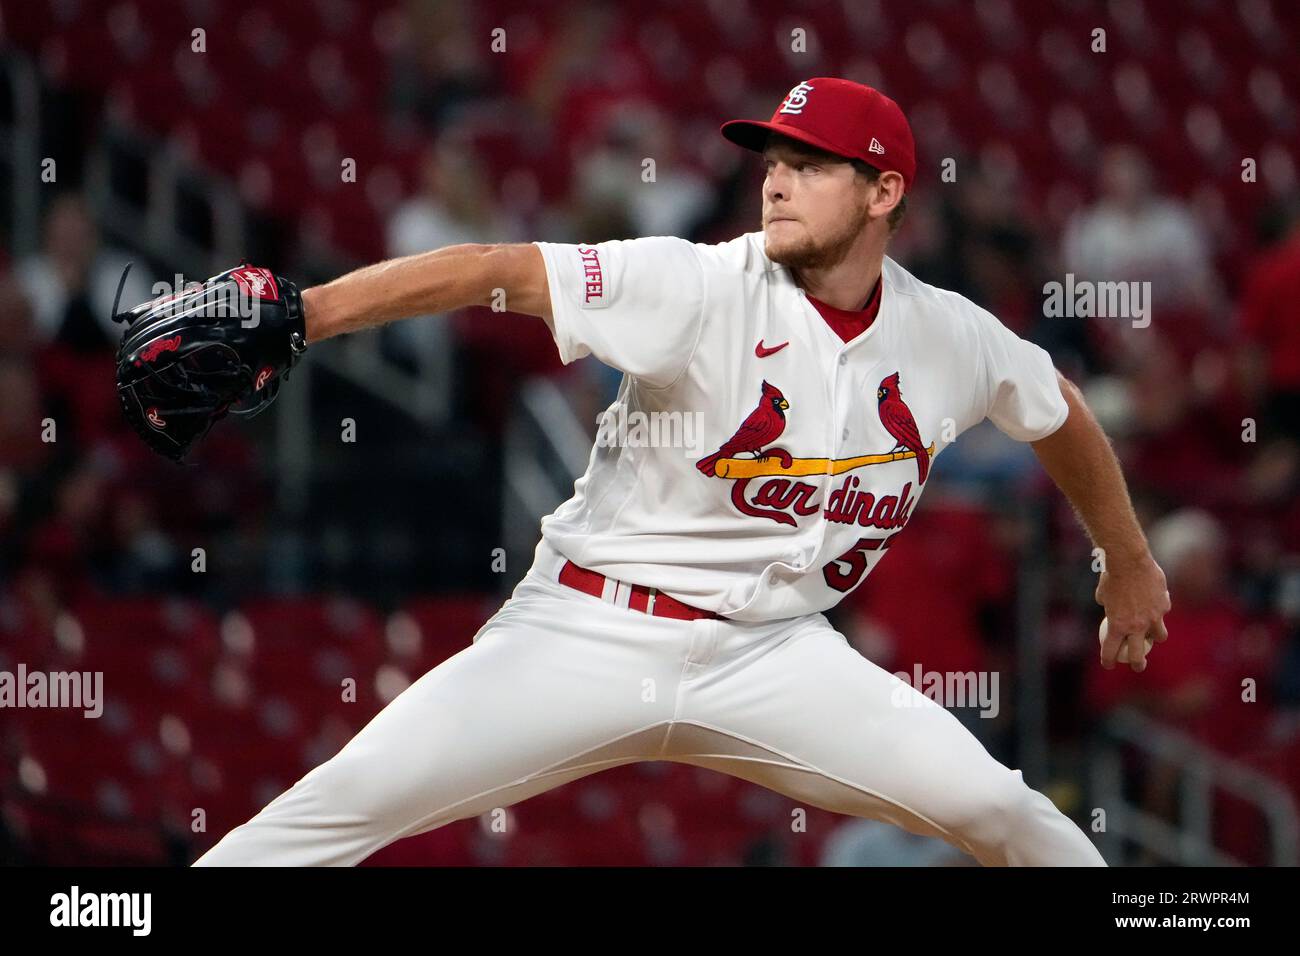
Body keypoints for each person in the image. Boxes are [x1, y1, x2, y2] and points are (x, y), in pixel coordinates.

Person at [194, 78, 1169, 867]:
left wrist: (1126, 559)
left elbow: (1059, 410)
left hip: (776, 654)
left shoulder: (948, 334)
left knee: (1007, 812)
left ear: (883, 193)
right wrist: (308, 314)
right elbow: (501, 268)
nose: (776, 183)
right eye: (772, 162)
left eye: (809, 165)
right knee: (341, 804)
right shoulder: (696, 283)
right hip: (589, 629)